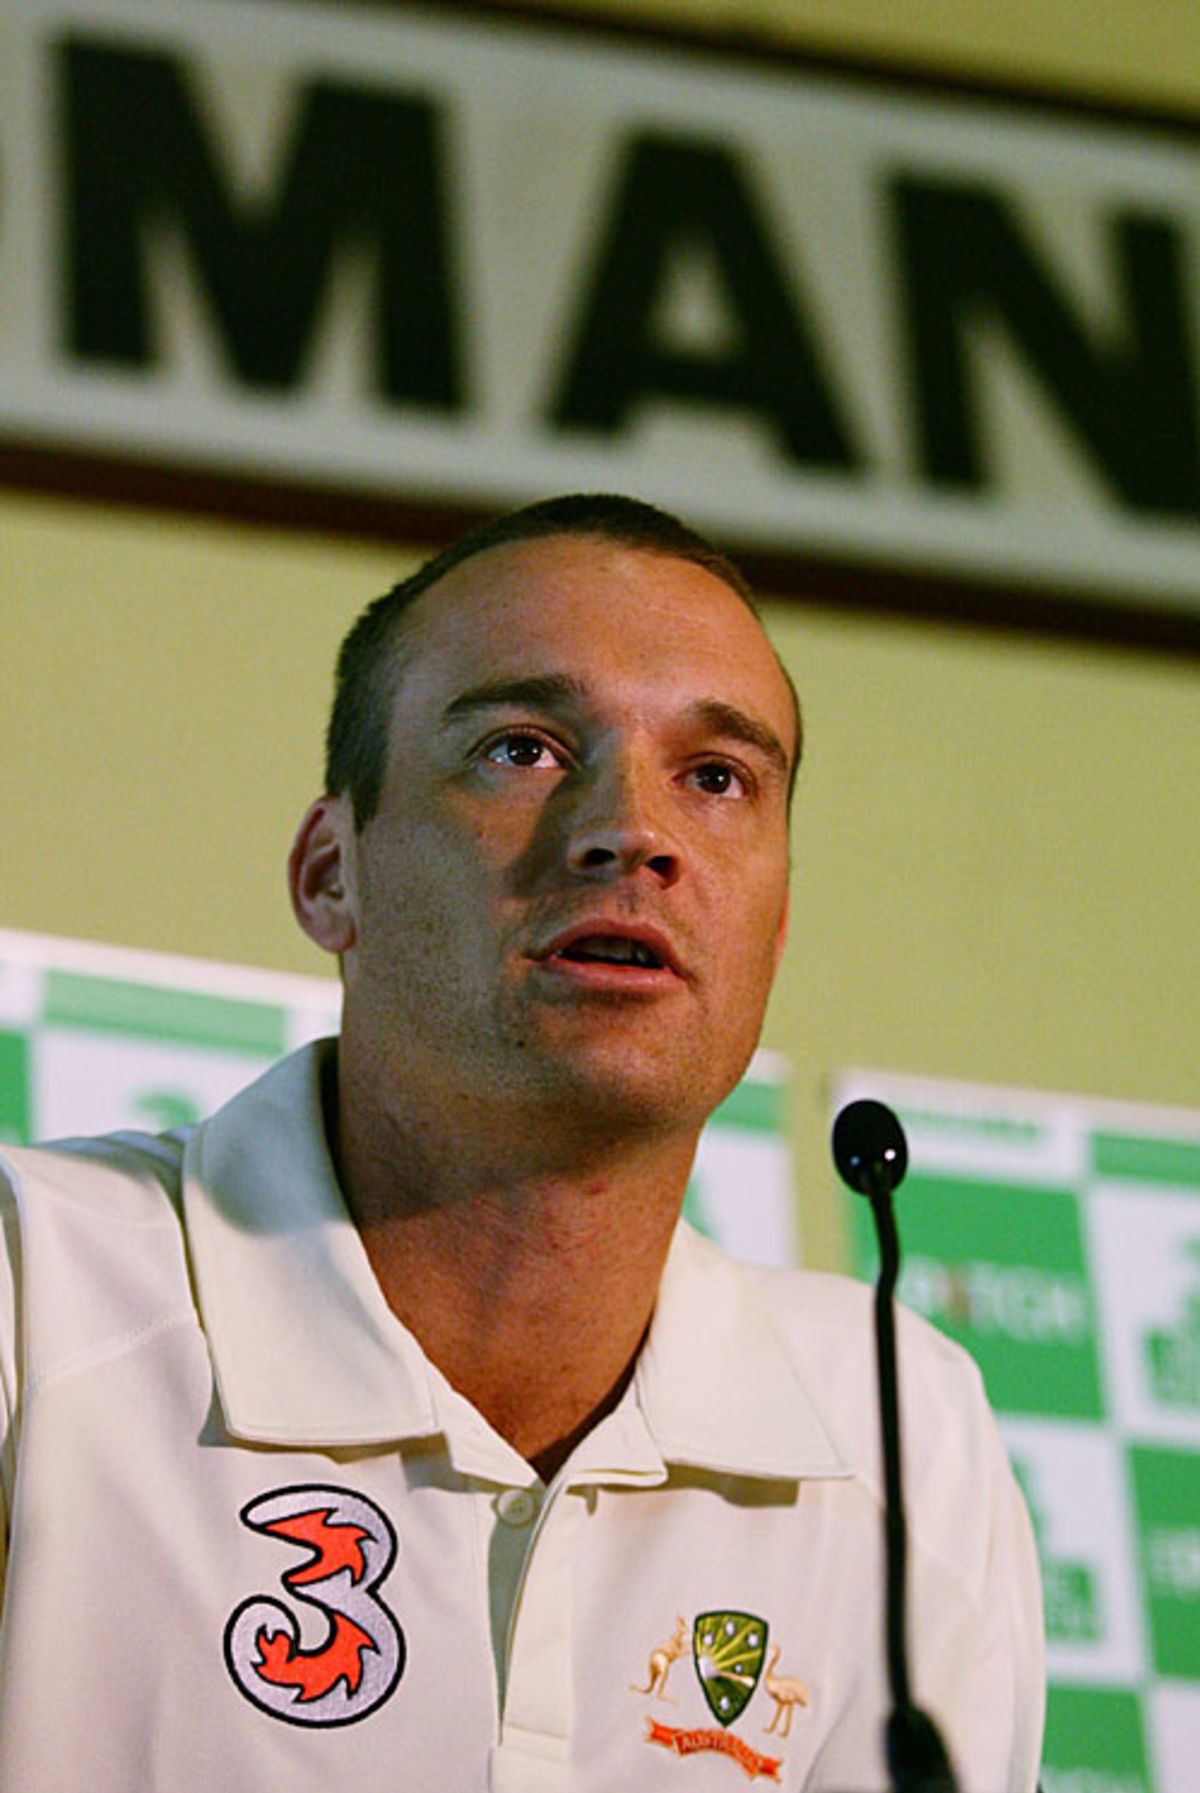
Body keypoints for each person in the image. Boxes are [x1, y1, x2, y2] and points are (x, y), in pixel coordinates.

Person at [0, 494, 1044, 1791]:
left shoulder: (901, 1428)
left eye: (716, 778)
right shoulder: (31, 1291)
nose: (633, 832)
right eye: (523, 748)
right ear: (334, 874)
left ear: (771, 932)